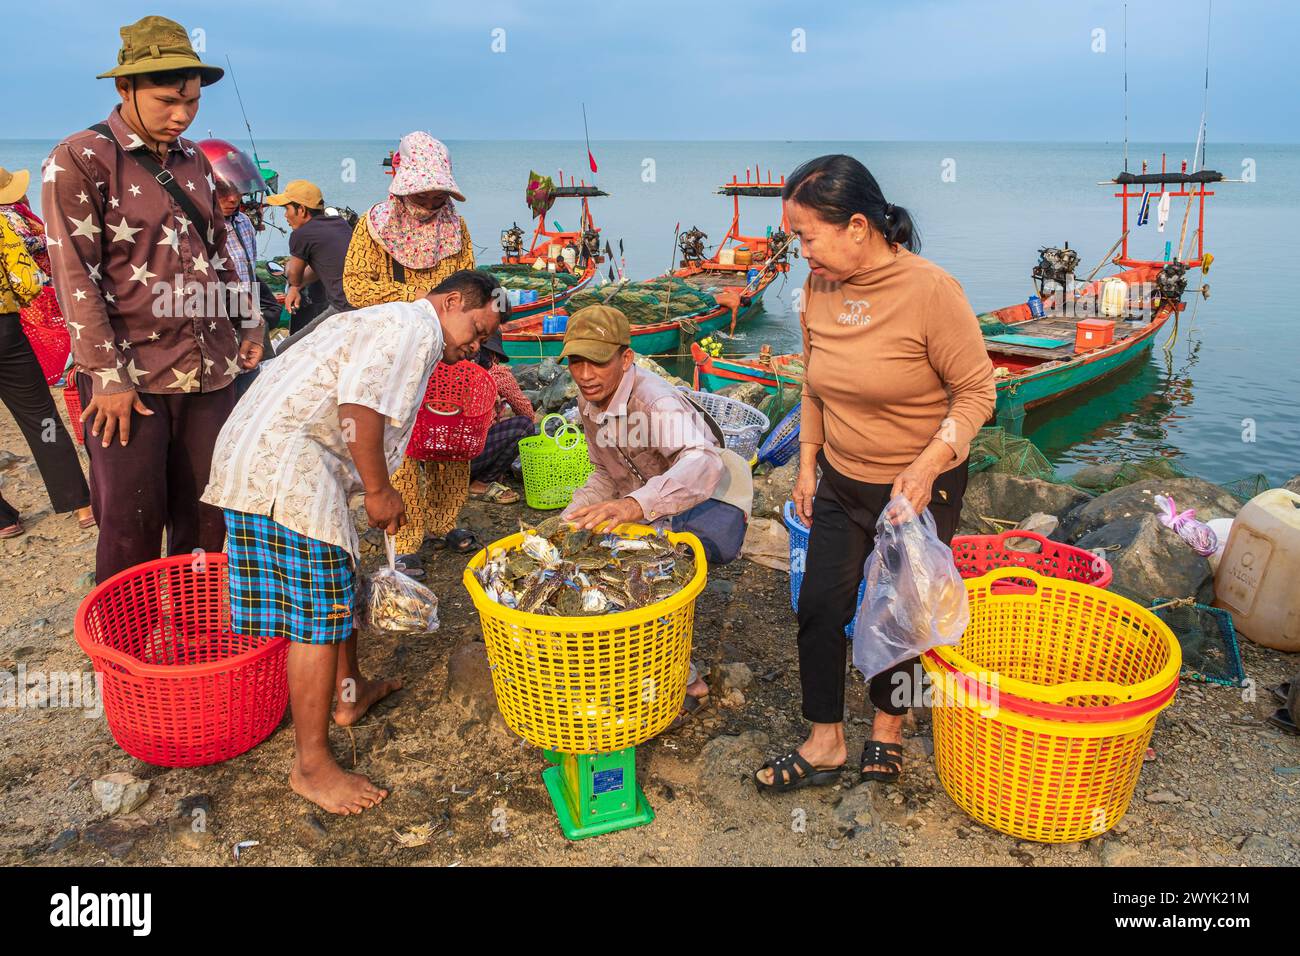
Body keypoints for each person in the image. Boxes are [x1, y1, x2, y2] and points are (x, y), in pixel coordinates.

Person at [202, 269, 505, 815]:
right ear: (453, 301)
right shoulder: (414, 329)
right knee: (314, 620)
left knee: (337, 584)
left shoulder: (385, 322)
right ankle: (311, 765)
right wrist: (378, 490)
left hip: (259, 459)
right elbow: (357, 411)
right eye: (479, 329)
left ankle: (349, 695)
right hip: (289, 472)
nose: (478, 344)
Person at [752, 155, 996, 792]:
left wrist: (927, 465)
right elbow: (814, 386)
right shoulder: (818, 288)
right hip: (839, 477)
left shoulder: (931, 290)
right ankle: (824, 739)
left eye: (806, 236)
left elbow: (976, 393)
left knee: (905, 615)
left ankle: (888, 730)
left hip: (920, 487)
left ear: (857, 226)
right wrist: (805, 466)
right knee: (819, 607)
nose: (799, 251)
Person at [40, 15, 263, 583]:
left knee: (212, 517)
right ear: (125, 89)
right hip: (131, 380)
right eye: (168, 101)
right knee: (130, 523)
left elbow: (223, 256)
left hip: (212, 371)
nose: (183, 114)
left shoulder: (195, 162)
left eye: (190, 101)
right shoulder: (79, 159)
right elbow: (74, 276)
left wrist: (251, 323)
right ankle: (130, 651)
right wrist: (105, 377)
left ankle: (200, 632)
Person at [559, 305, 754, 725]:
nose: (585, 373)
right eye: (576, 361)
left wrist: (633, 507)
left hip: (711, 497)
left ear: (625, 358)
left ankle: (686, 684)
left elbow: (703, 462)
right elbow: (603, 472)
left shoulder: (654, 400)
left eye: (597, 361)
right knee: (588, 561)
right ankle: (639, 673)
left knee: (649, 582)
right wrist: (570, 517)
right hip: (650, 501)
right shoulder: (588, 402)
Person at [343, 131, 479, 567]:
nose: (431, 199)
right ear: (403, 186)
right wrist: (422, 298)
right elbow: (355, 285)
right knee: (399, 439)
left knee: (449, 440)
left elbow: (468, 290)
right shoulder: (373, 224)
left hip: (447, 351)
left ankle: (442, 522)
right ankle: (407, 537)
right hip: (392, 350)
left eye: (438, 192)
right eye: (423, 191)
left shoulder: (456, 229)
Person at [0, 215, 93, 536]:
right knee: (42, 419)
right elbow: (28, 280)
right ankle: (81, 504)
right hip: (5, 332)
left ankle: (3, 520)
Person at [265, 179, 353, 335]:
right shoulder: (339, 222)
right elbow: (318, 267)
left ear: (302, 210)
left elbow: (294, 277)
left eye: (287, 209)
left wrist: (291, 280)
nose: (285, 215)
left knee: (285, 349)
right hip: (359, 302)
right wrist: (295, 288)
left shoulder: (301, 235)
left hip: (342, 308)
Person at [468, 331, 532, 505]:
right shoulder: (497, 373)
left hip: (440, 461)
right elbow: (526, 412)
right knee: (523, 426)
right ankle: (482, 483)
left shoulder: (453, 367)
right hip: (470, 459)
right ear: (494, 354)